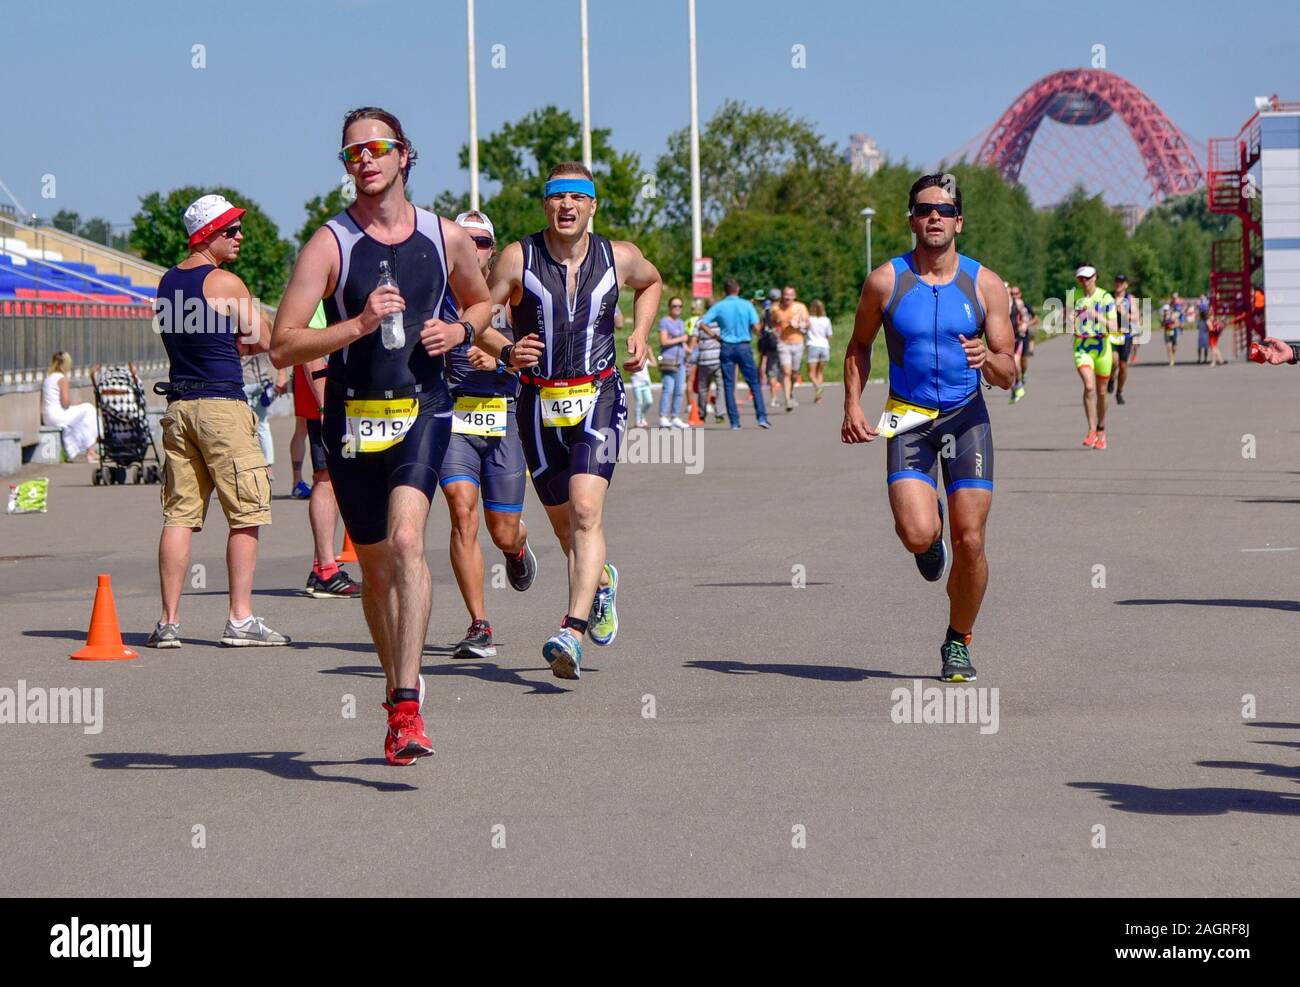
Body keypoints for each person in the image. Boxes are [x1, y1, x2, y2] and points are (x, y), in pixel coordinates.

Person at [271, 106, 491, 765]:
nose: (364, 159)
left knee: (405, 541)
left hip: (424, 406)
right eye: (351, 154)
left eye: (376, 148)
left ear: (405, 155)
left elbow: (479, 301)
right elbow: (284, 344)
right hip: (353, 421)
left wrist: (460, 332)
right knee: (373, 569)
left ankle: (405, 702)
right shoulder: (330, 244)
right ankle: (397, 683)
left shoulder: (443, 236)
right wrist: (357, 325)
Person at [482, 161, 662, 680]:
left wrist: (642, 333)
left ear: (592, 206)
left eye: (577, 198)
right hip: (537, 405)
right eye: (557, 197)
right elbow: (478, 316)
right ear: (546, 205)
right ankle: (601, 582)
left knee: (587, 512)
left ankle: (572, 631)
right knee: (567, 533)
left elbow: (651, 284)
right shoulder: (518, 258)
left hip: (599, 395)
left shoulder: (620, 257)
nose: (567, 206)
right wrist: (506, 349)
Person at [841, 173, 1016, 683]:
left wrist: (989, 360)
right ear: (911, 220)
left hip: (966, 418)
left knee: (972, 541)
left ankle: (958, 640)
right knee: (919, 532)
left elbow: (1009, 372)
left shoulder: (985, 284)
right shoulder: (885, 281)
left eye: (943, 209)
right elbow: (858, 346)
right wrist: (852, 405)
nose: (933, 216)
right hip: (909, 418)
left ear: (959, 221)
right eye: (923, 209)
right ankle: (927, 539)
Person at [148, 193, 288, 650]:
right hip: (221, 408)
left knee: (179, 516)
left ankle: (168, 622)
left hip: (179, 408)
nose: (240, 236)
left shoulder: (167, 282)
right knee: (246, 513)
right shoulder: (225, 282)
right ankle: (240, 618)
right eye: (231, 230)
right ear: (207, 235)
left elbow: (195, 336)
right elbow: (265, 338)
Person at [437, 209, 537, 659]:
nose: (473, 248)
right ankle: (479, 624)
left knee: (502, 532)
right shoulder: (436, 296)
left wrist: (500, 361)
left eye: (481, 242)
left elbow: (539, 361)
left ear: (492, 250)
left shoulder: (513, 300)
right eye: (465, 239)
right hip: (452, 420)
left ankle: (517, 550)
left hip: (504, 418)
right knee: (462, 512)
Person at [298, 301, 359, 599]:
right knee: (325, 478)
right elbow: (310, 349)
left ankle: (321, 566)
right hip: (325, 395)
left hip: (342, 395)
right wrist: (323, 404)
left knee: (336, 479)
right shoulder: (319, 288)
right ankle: (325, 570)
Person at [701, 278, 771, 429]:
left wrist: (715, 336)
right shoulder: (746, 305)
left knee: (728, 384)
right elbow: (757, 329)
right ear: (738, 289)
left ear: (725, 290)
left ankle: (735, 422)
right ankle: (761, 417)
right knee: (754, 383)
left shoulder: (719, 306)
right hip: (743, 346)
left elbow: (702, 324)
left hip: (726, 346)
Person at [1069, 265, 1116, 450]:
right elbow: (1065, 317)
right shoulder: (1075, 297)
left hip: (1102, 347)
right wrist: (1070, 317)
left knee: (1102, 392)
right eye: (1081, 279)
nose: (1085, 282)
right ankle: (1091, 430)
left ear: (1096, 277)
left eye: (1088, 278)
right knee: (1089, 387)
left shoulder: (1105, 298)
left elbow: (1113, 326)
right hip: (1082, 346)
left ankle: (1101, 428)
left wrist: (1096, 315)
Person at [41, 351, 99, 463]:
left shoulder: (49, 378)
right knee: (89, 409)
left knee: (80, 418)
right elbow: (66, 403)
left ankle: (77, 451)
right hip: (57, 416)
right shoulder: (62, 379)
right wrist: (75, 404)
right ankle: (91, 451)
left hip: (48, 417)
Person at [241, 351, 284, 482]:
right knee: (261, 426)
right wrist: (281, 376)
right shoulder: (265, 331)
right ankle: (266, 466)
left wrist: (282, 376)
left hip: (250, 381)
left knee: (248, 426)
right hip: (254, 381)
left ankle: (258, 467)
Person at [771, 285, 809, 411]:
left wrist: (798, 324)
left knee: (794, 373)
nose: (788, 297)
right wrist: (776, 327)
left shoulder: (801, 307)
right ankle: (787, 400)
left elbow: (808, 323)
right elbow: (773, 322)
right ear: (783, 295)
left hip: (798, 343)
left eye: (790, 295)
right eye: (786, 294)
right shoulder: (776, 308)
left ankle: (791, 391)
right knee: (786, 372)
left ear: (794, 296)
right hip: (783, 343)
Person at [657, 296, 689, 428]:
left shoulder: (681, 322)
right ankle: (663, 416)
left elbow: (682, 343)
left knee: (679, 390)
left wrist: (688, 351)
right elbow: (664, 341)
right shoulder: (665, 321)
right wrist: (681, 338)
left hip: (680, 360)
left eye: (679, 306)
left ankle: (675, 416)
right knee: (668, 389)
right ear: (669, 307)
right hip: (669, 360)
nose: (677, 308)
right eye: (674, 306)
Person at [694, 297, 725, 421]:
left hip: (704, 359)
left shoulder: (700, 321)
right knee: (720, 387)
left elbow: (694, 339)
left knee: (703, 388)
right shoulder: (721, 321)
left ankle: (702, 413)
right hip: (718, 359)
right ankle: (720, 413)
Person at [1108, 274, 1137, 405]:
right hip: (1111, 334)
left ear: (1126, 285)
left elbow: (1136, 317)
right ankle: (1111, 378)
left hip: (1126, 335)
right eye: (1117, 281)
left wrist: (1124, 312)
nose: (1118, 284)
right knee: (1114, 361)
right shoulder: (1108, 297)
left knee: (1123, 365)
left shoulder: (1130, 299)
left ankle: (1119, 392)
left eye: (1121, 282)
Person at [1008, 285, 1037, 403]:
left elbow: (1035, 318)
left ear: (1020, 294)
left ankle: (1021, 378)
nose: (1014, 296)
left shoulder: (1022, 305)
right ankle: (1016, 386)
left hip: (1021, 337)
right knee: (1014, 365)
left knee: (1023, 363)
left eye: (1016, 293)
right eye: (1012, 294)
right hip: (1009, 339)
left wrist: (1026, 324)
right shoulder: (1005, 305)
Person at [805, 299, 833, 403]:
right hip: (825, 347)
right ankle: (818, 397)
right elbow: (829, 335)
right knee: (820, 372)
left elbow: (804, 330)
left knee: (811, 373)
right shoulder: (826, 320)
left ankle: (817, 387)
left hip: (813, 346)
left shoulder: (809, 319)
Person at [758, 288, 782, 408]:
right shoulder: (782, 309)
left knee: (768, 367)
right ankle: (789, 394)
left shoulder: (765, 310)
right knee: (784, 369)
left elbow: (760, 326)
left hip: (768, 341)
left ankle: (774, 397)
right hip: (782, 341)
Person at [631, 346, 657, 427]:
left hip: (645, 384)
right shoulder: (633, 360)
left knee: (649, 401)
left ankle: (642, 416)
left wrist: (650, 353)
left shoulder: (645, 360)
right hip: (637, 384)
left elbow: (654, 364)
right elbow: (630, 371)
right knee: (639, 402)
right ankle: (638, 420)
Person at [1162, 292, 1183, 366]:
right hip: (1167, 332)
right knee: (1169, 347)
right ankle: (1171, 360)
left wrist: (1174, 326)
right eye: (1165, 310)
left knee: (1174, 347)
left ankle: (1173, 356)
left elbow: (1178, 323)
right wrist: (1164, 323)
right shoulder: (1164, 317)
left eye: (1166, 310)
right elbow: (1162, 325)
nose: (1165, 311)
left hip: (1174, 331)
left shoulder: (1173, 315)